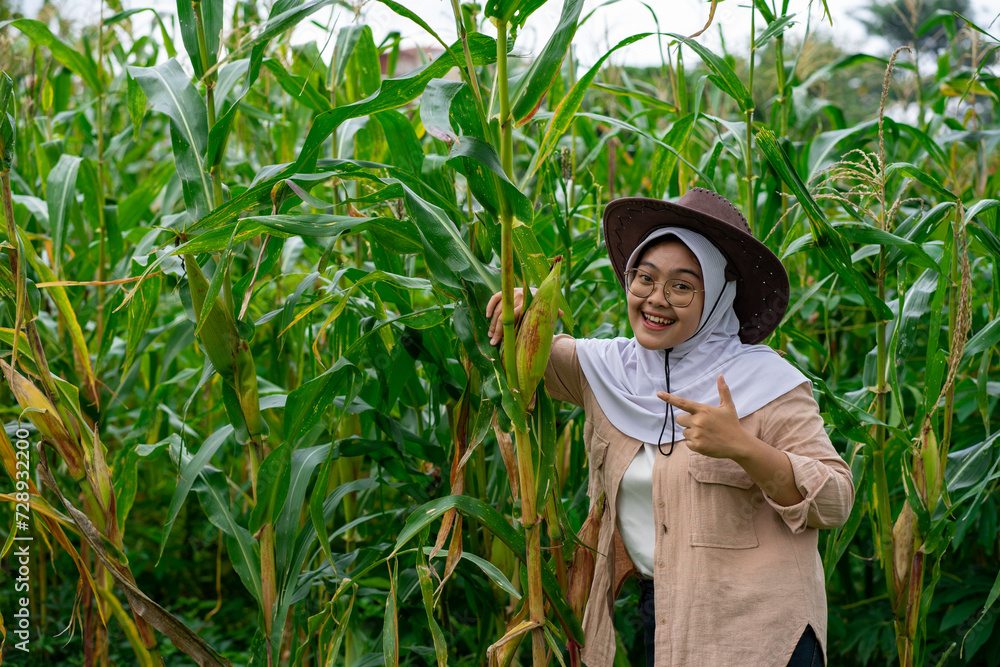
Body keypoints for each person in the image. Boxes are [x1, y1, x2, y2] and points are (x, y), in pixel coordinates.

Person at [485, 189, 854, 667]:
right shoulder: (606, 371)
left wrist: (744, 448)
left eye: (682, 286)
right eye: (645, 278)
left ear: (719, 297)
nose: (656, 299)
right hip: (661, 618)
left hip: (759, 629)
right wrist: (524, 304)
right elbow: (515, 350)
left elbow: (836, 499)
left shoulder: (766, 383)